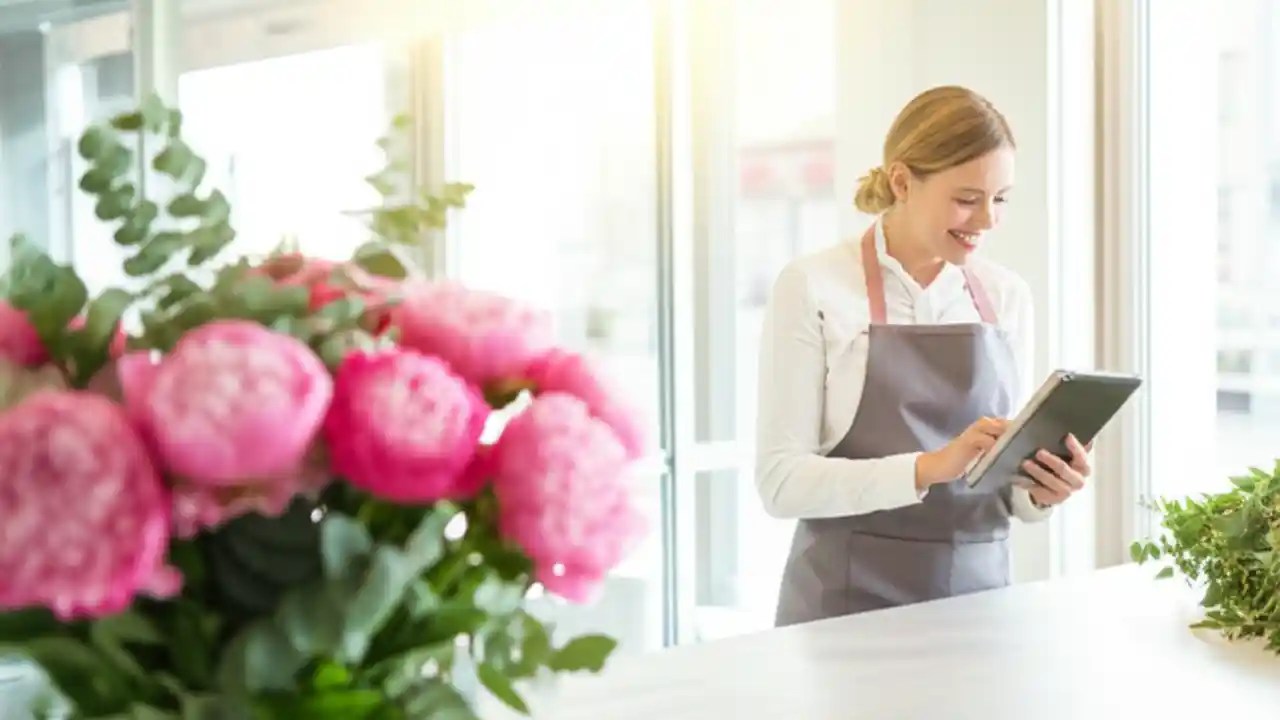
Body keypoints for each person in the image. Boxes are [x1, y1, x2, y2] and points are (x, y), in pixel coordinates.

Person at [756, 85, 1092, 627]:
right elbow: (780, 483)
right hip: (844, 612)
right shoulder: (814, 287)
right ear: (902, 181)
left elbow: (1007, 496)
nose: (986, 220)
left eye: (1000, 198)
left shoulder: (1006, 297)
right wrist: (930, 467)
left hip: (980, 610)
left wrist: (1044, 489)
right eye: (967, 198)